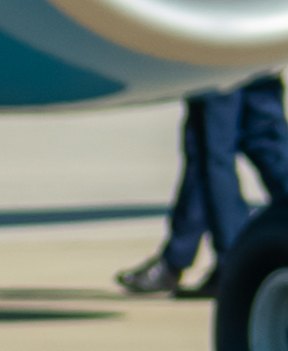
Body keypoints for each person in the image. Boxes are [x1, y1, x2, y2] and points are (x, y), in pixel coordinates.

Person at [122, 74, 286, 295]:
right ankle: (178, 261)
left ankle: (231, 262)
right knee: (265, 138)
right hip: (260, 53)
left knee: (212, 150)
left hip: (223, 56)